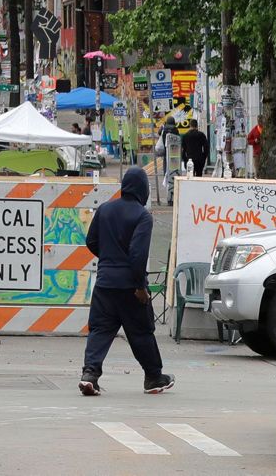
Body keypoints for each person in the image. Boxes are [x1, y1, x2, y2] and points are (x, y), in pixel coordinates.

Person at [80, 166, 174, 396]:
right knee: (141, 332)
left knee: (100, 330)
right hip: (129, 287)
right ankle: (153, 377)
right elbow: (138, 255)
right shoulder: (142, 216)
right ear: (143, 190)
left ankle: (90, 375)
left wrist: (109, 259)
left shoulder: (104, 209)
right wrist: (140, 287)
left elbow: (91, 241)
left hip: (104, 283)